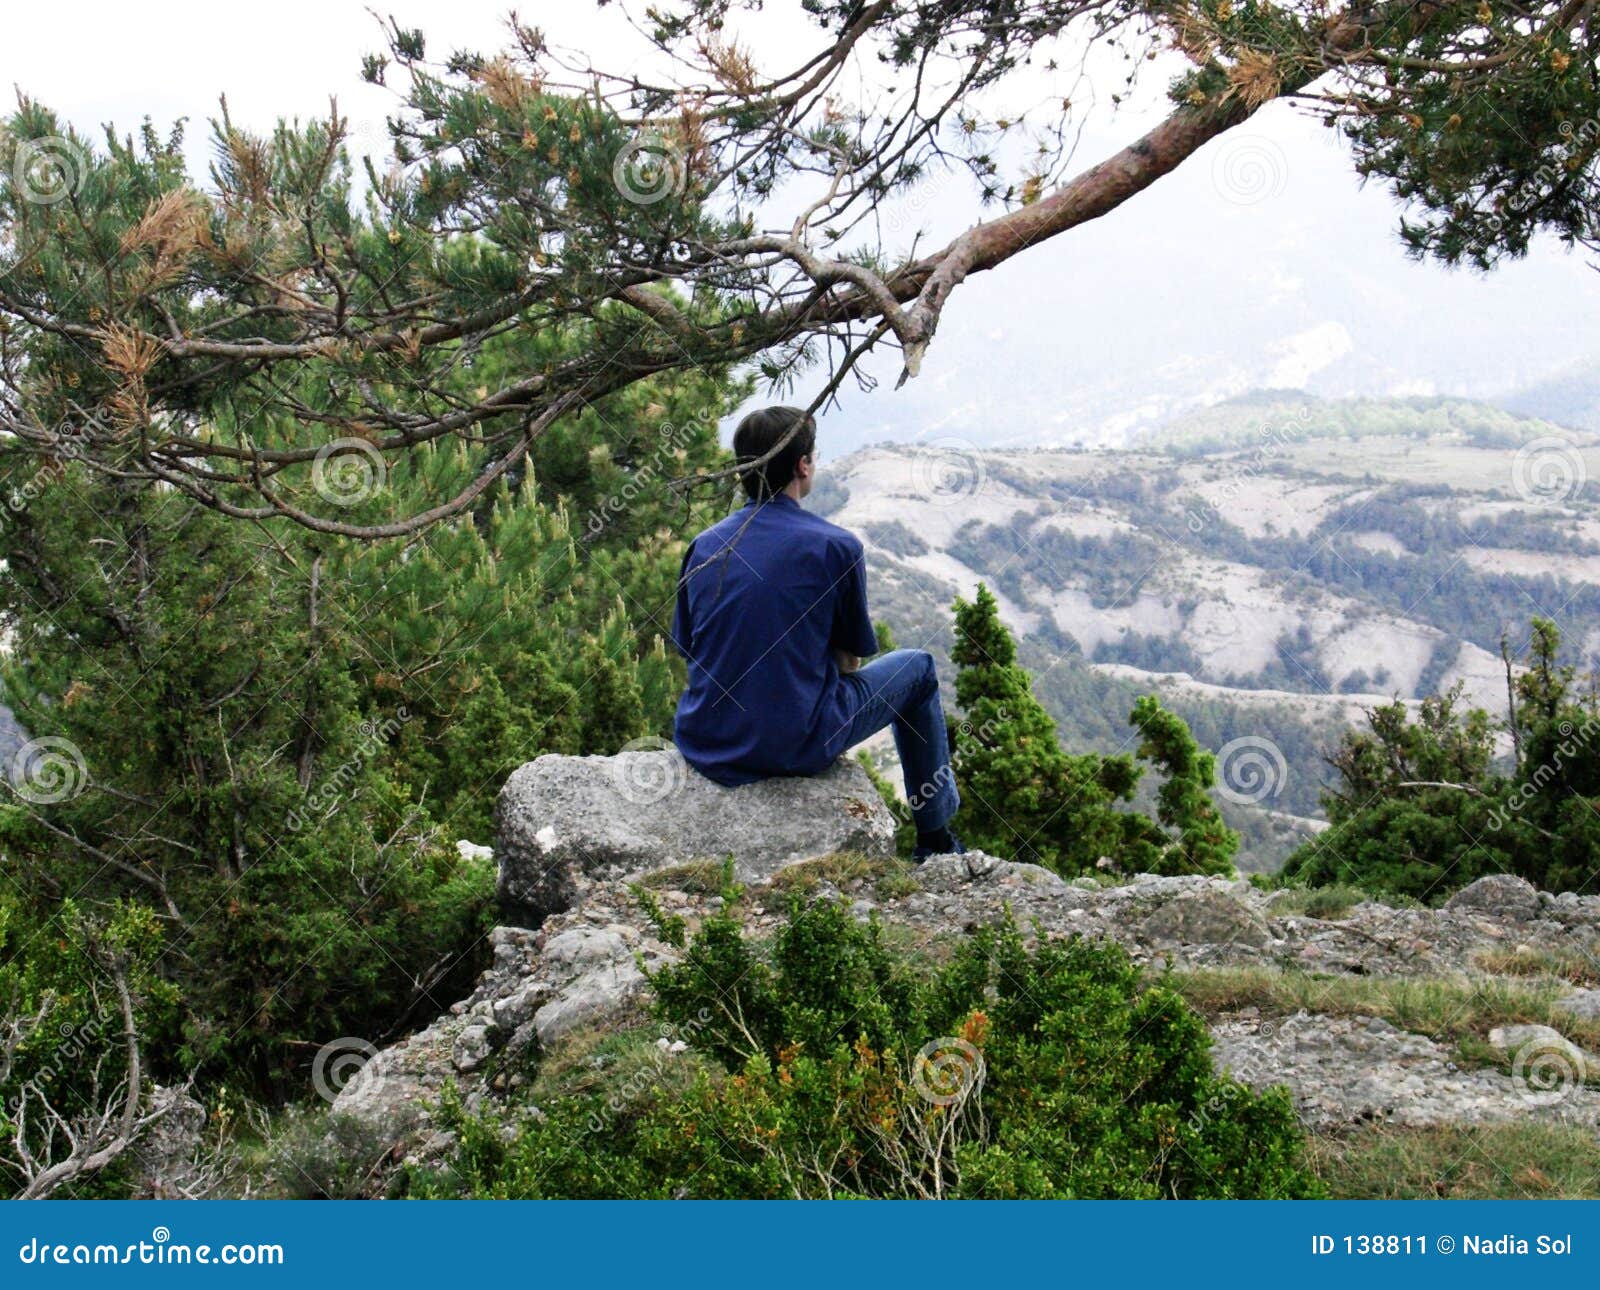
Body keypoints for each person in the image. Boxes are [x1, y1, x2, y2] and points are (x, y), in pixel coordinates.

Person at [669, 405, 964, 861]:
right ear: (803, 465)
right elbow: (850, 663)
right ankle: (936, 839)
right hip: (795, 743)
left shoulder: (704, 546)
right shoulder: (835, 546)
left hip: (706, 740)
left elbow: (690, 648)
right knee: (919, 669)